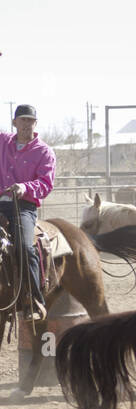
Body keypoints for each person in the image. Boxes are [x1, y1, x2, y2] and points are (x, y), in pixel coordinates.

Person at [0, 104, 54, 320]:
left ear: (35, 123)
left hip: (22, 205)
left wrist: (24, 188)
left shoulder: (44, 151)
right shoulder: (3, 142)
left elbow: (46, 184)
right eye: (22, 120)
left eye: (30, 120)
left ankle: (34, 300)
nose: (26, 124)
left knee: (24, 245)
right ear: (14, 123)